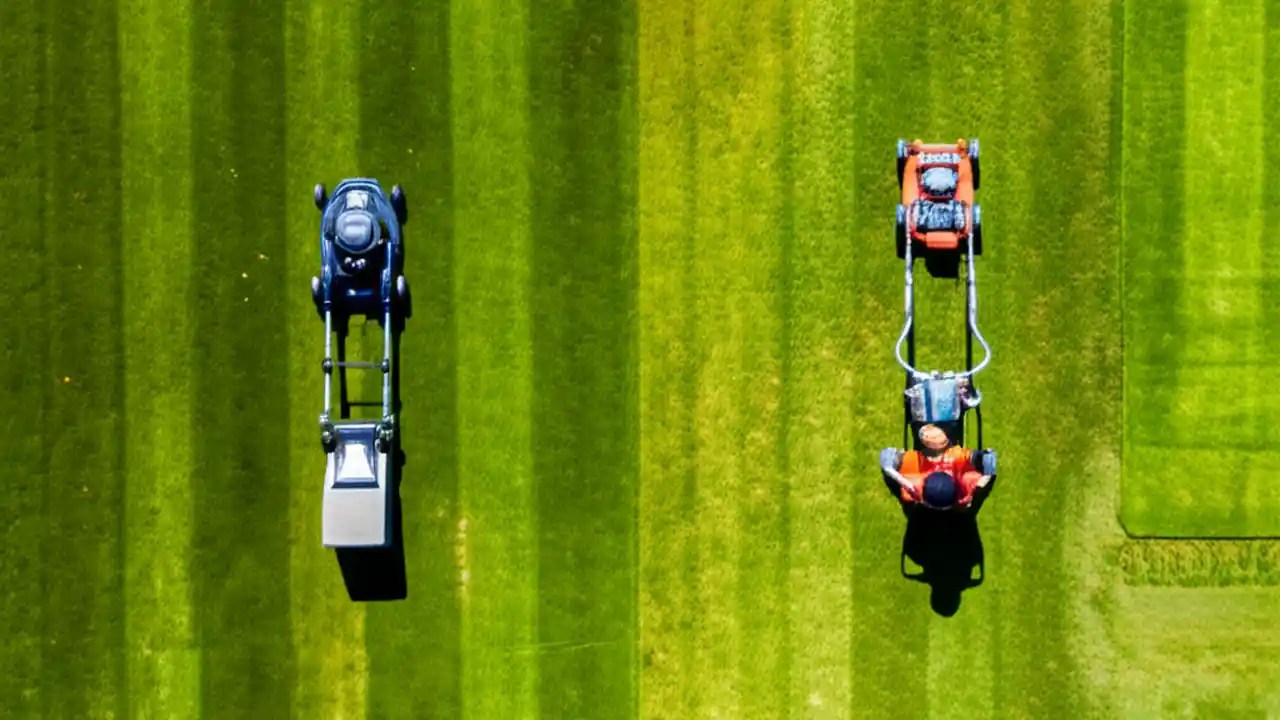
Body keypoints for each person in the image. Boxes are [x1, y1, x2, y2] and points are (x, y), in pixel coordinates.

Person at [879, 424, 996, 512]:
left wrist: (890, 466)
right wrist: (986, 466)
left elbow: (888, 457)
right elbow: (985, 469)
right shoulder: (968, 491)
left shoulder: (910, 489)